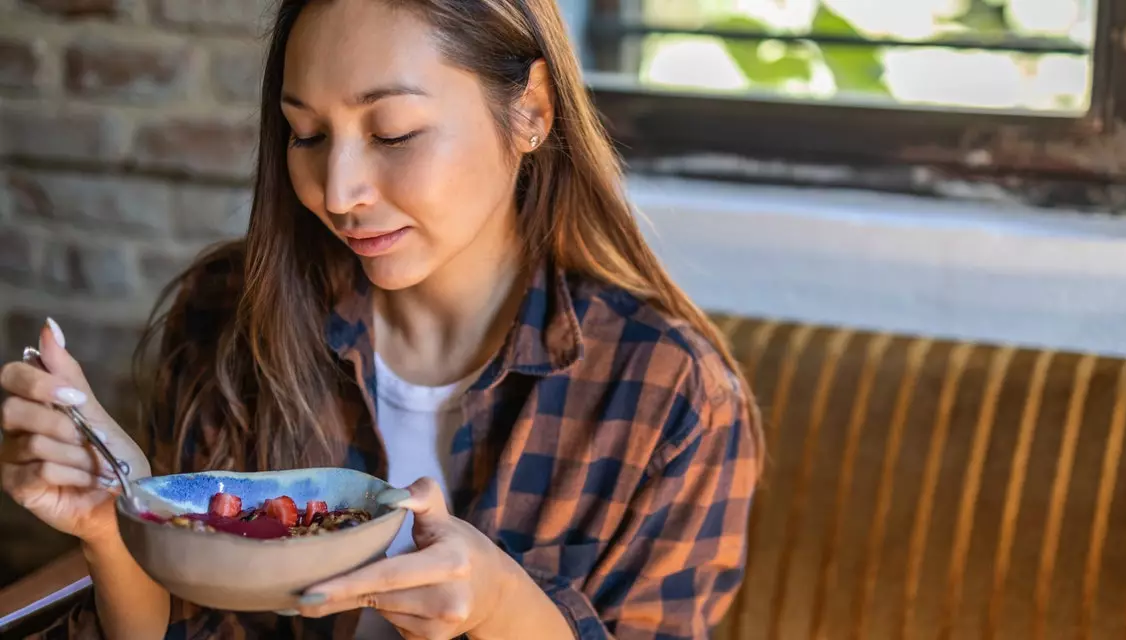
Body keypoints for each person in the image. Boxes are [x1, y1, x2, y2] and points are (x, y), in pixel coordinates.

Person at [0, 0, 762, 638]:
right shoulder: (232, 315)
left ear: (530, 109)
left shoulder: (670, 397)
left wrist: (501, 604)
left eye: (392, 132)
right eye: (306, 134)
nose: (337, 191)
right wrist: (117, 521)